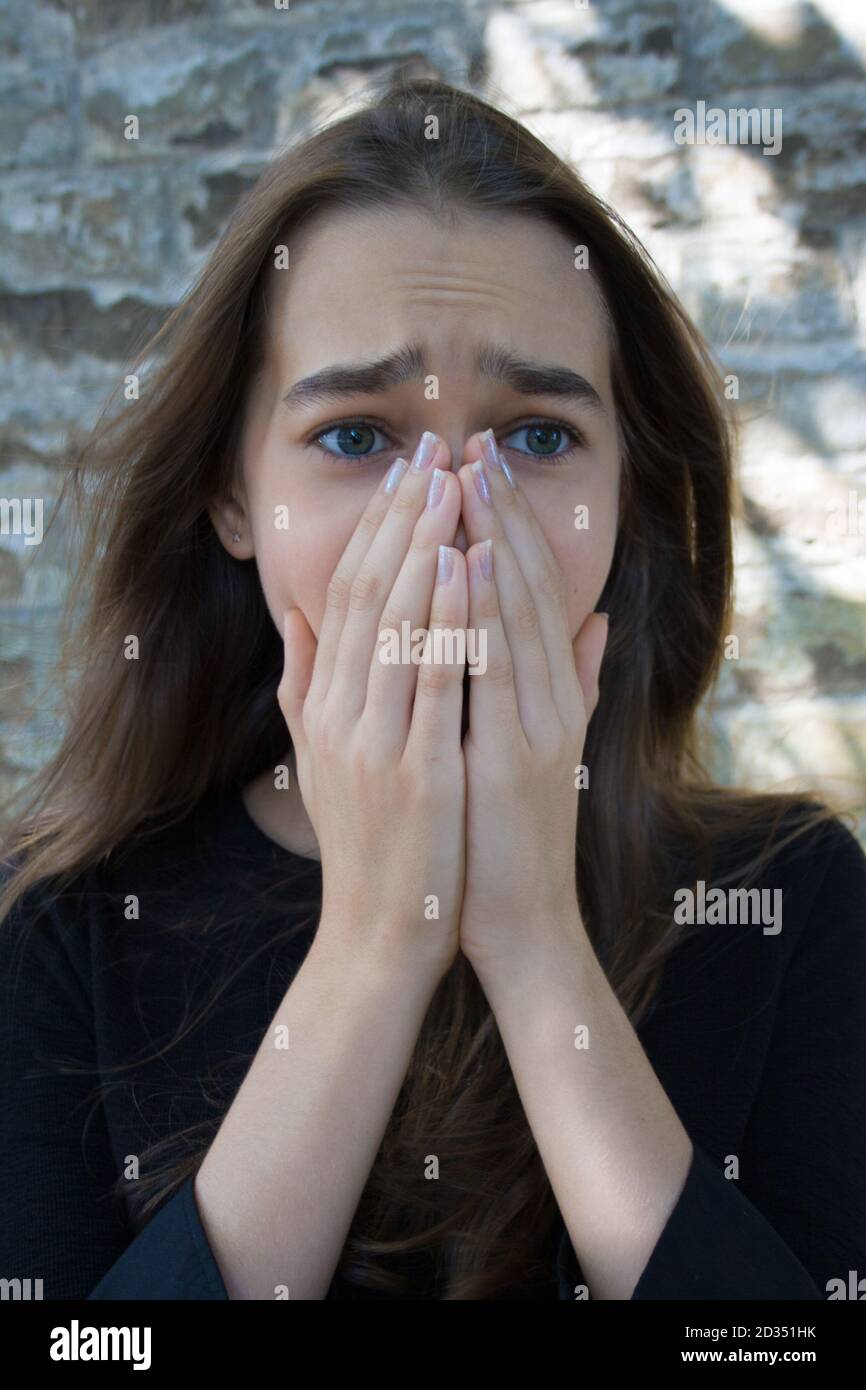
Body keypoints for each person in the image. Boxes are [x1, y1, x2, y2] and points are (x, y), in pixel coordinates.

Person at [1, 75, 864, 1302]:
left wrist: (529, 939)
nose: (455, 516)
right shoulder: (59, 924)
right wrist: (369, 947)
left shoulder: (790, 895)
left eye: (538, 434)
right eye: (356, 436)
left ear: (624, 496)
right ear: (232, 496)